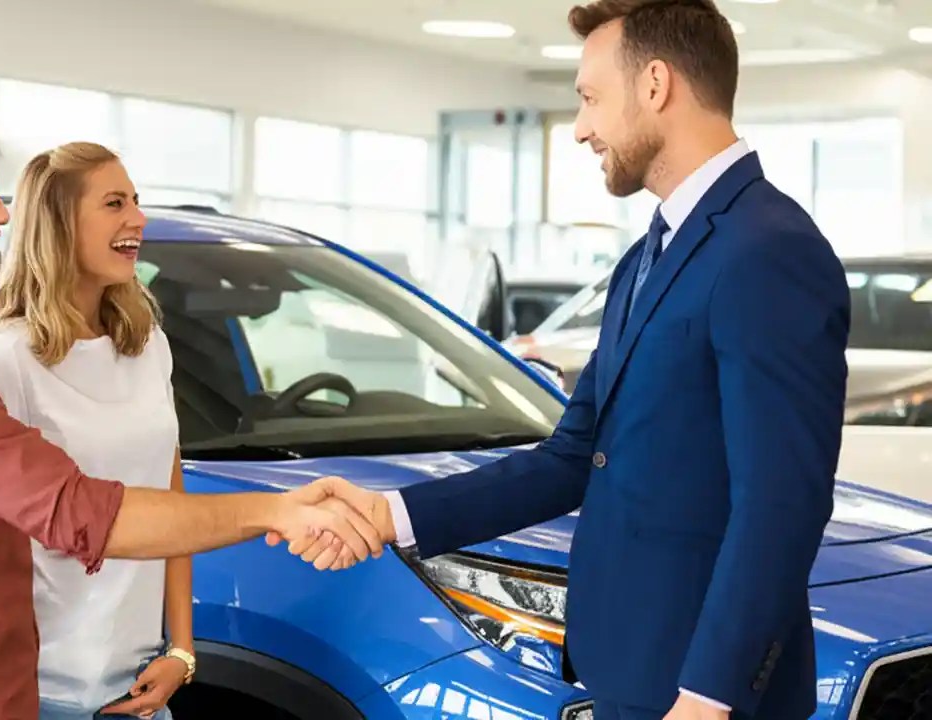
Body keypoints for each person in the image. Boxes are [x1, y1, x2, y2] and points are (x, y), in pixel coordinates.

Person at [286, 1, 851, 719]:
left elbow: (781, 503)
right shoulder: (645, 258)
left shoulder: (769, 250)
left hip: (701, 694)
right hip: (628, 673)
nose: (582, 127)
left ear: (655, 84)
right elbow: (573, 458)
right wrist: (389, 513)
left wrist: (709, 696)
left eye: (589, 98)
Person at [0, 103, 382, 720]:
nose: (0, 213)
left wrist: (179, 647)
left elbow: (148, 478)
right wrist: (276, 509)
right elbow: (79, 513)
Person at [0, 141, 186, 720]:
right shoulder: (8, 355)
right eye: (115, 203)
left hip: (140, 689)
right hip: (45, 690)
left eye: (137, 201)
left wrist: (183, 651)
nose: (137, 219)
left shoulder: (149, 346)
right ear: (59, 225)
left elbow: (172, 506)